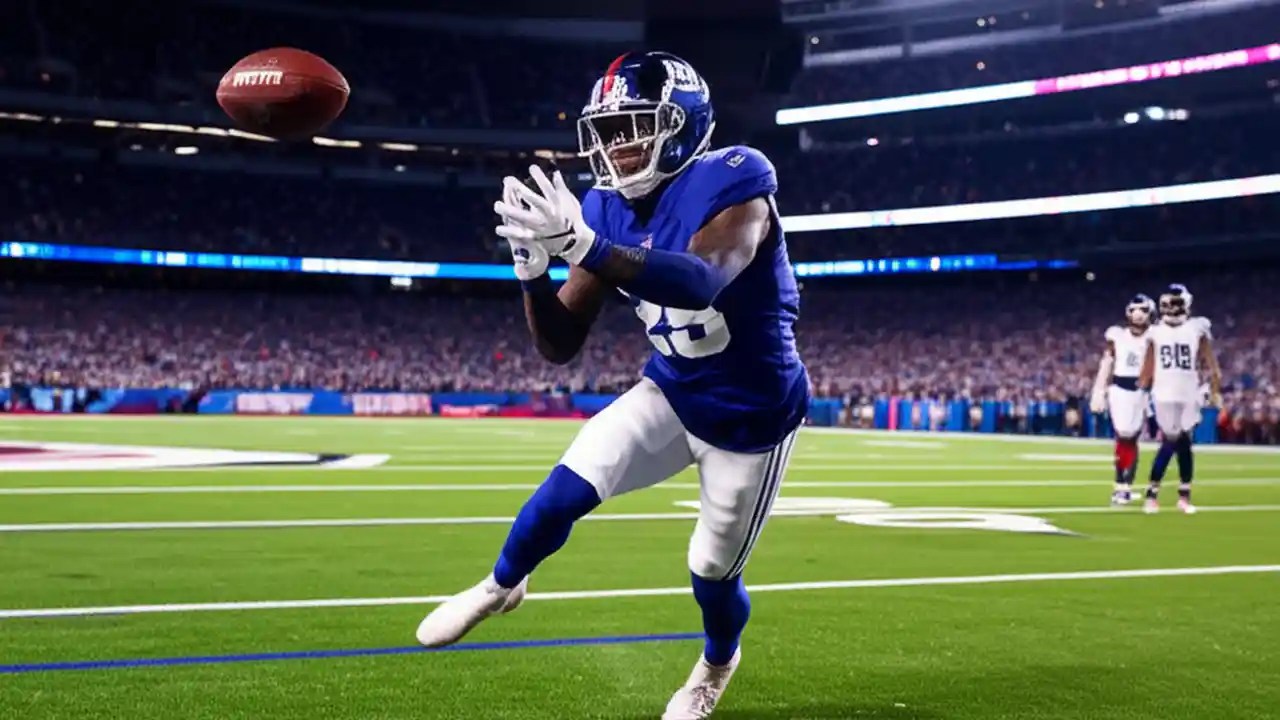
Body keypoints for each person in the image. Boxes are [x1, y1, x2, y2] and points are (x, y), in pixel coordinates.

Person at [415, 51, 809, 719]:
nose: (617, 145)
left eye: (633, 127)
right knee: (562, 491)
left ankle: (717, 663)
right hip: (671, 390)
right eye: (607, 130)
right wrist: (531, 275)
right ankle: (501, 585)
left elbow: (702, 279)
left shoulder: (736, 178)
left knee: (712, 572)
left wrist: (584, 245)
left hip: (751, 418)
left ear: (682, 124)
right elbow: (560, 344)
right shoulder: (603, 207)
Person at [1139, 284, 1222, 514]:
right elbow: (1148, 367)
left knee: (1182, 441)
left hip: (1187, 392)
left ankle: (1171, 494)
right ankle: (1161, 494)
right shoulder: (1156, 332)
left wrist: (1215, 388)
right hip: (1165, 393)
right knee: (1173, 440)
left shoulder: (1196, 328)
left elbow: (1210, 362)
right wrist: (1141, 393)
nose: (1171, 308)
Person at [1089, 294, 1154, 505]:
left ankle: (1125, 486)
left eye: (1143, 310)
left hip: (1142, 390)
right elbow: (1107, 362)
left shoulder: (1155, 336)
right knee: (1123, 435)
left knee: (1132, 437)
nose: (1138, 314)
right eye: (1135, 310)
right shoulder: (1117, 335)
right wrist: (1098, 390)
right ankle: (1121, 484)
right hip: (1119, 389)